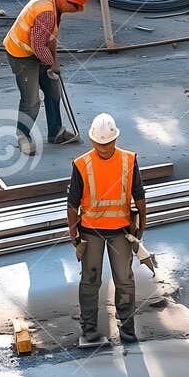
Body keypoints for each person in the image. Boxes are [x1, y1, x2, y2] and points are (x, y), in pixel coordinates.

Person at [66, 114, 147, 347]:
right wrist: (74, 233)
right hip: (92, 231)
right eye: (101, 143)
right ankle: (90, 330)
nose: (104, 147)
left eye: (108, 143)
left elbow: (139, 195)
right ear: (92, 141)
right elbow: (72, 204)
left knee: (124, 281)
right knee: (91, 281)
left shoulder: (128, 160)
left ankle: (127, 332)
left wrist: (141, 226)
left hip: (119, 231)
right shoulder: (81, 164)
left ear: (115, 139)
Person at [4, 0, 89, 154]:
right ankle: (23, 136)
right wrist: (51, 63)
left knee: (53, 90)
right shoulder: (47, 12)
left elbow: (49, 38)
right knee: (31, 100)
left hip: (37, 50)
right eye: (75, 6)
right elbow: (38, 45)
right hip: (21, 53)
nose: (76, 11)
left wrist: (54, 61)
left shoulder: (55, 2)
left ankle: (56, 133)